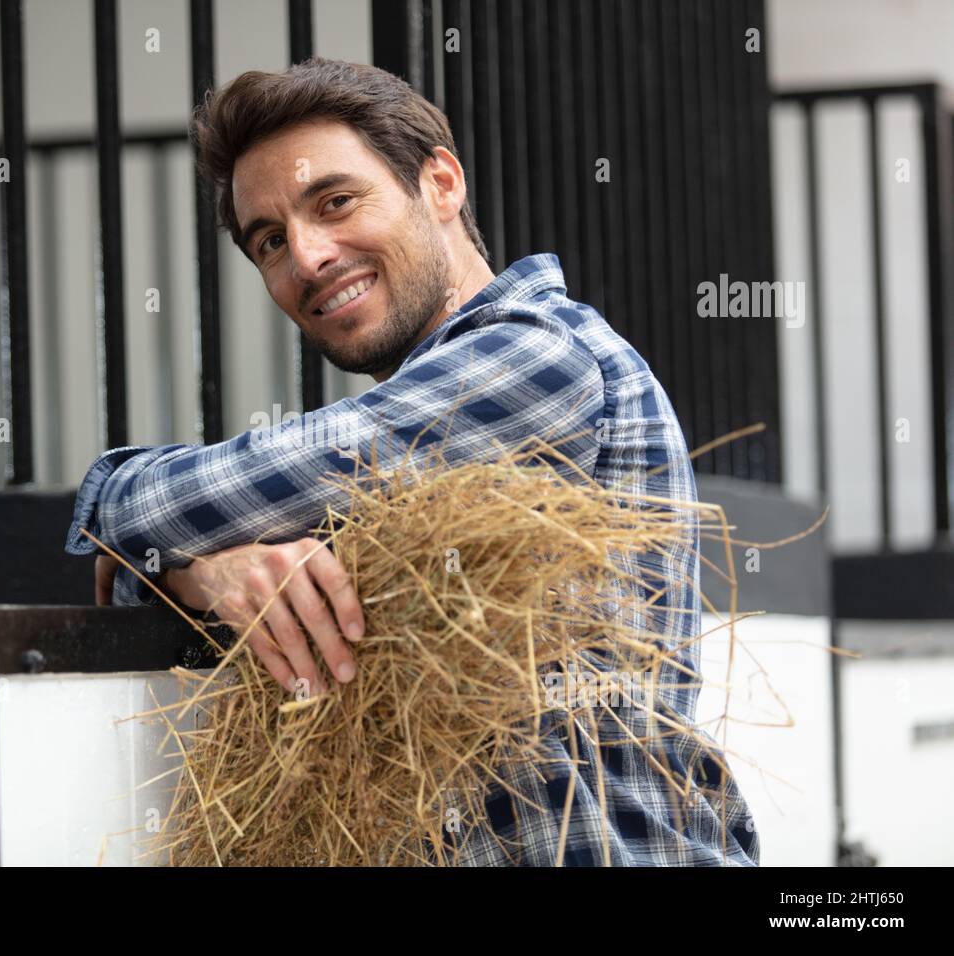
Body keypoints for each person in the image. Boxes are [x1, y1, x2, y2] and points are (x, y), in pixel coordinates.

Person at [65, 57, 758, 866]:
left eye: (335, 201)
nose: (308, 256)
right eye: (270, 240)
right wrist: (203, 574)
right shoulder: (418, 428)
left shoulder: (537, 361)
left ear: (440, 184)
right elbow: (229, 528)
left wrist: (119, 504)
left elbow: (193, 501)